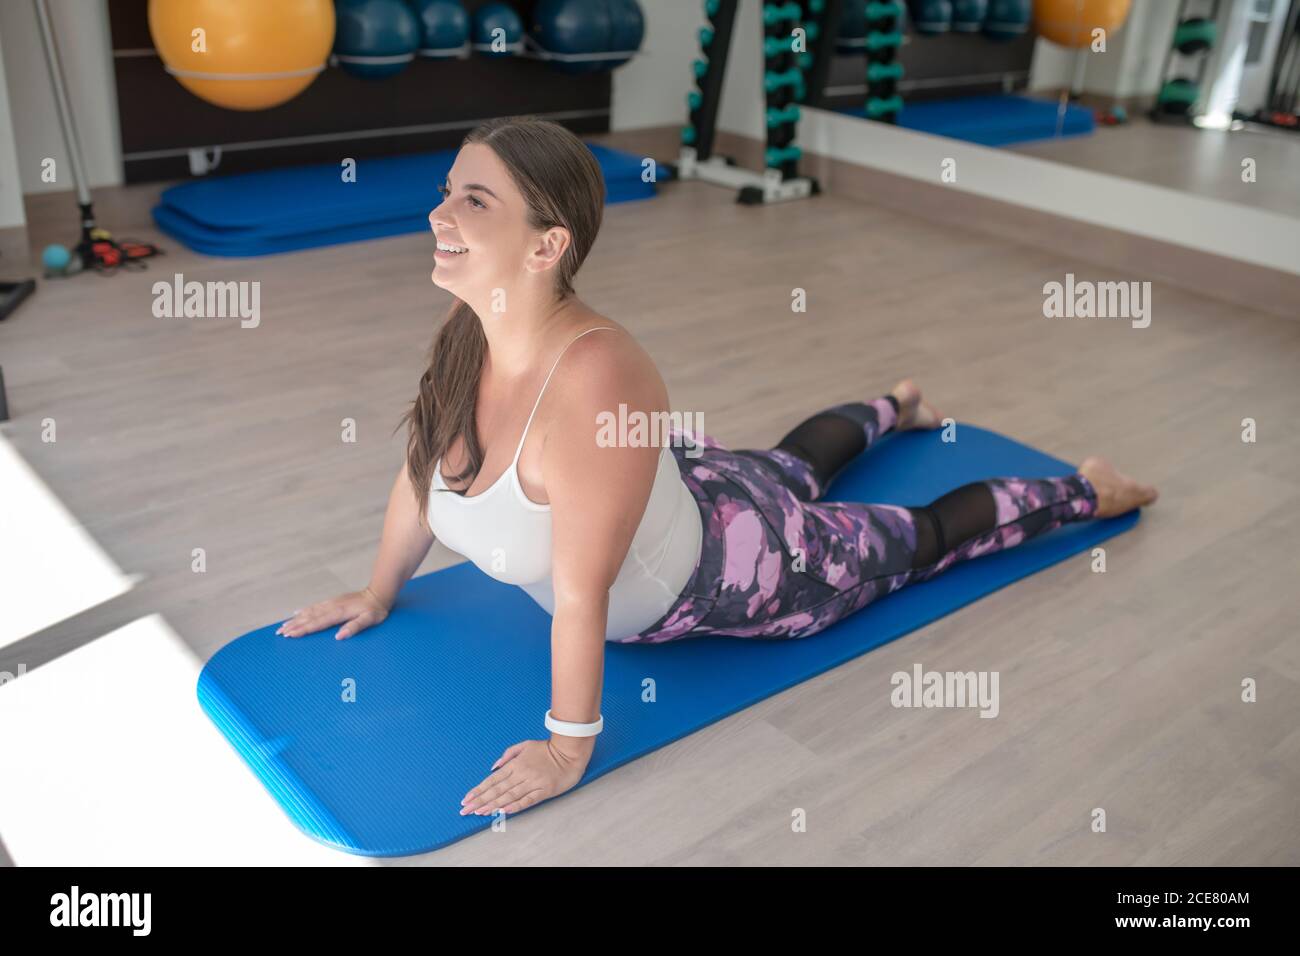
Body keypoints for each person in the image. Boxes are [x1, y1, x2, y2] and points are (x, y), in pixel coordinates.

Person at [276, 116, 1158, 820]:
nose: (438, 215)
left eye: (473, 201)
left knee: (917, 539)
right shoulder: (470, 334)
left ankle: (1089, 488)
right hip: (684, 488)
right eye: (447, 193)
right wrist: (378, 589)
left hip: (747, 567)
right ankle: (899, 403)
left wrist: (567, 747)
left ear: (546, 247)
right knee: (783, 463)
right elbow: (422, 475)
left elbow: (583, 596)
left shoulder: (595, 382)